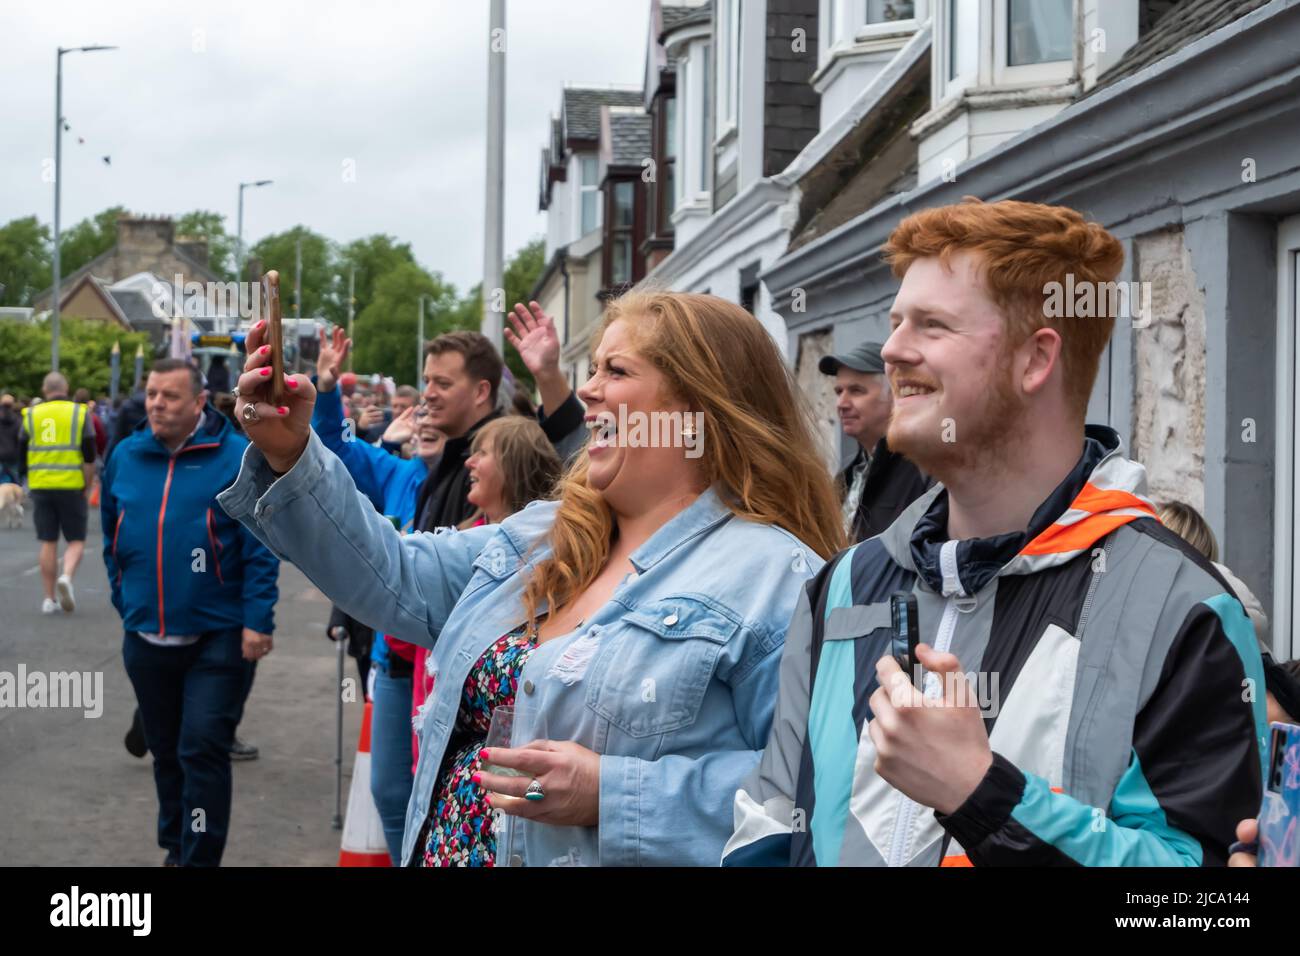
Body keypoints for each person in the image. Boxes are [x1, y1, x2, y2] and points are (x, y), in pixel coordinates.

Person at [724, 197, 1267, 867]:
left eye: (932, 325)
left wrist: (982, 795)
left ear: (1035, 361)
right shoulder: (842, 583)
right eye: (896, 322)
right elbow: (770, 823)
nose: (893, 349)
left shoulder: (1185, 610)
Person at [220, 291, 845, 866]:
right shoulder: (541, 534)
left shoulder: (777, 576)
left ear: (696, 409)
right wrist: (290, 451)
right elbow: (394, 576)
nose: (589, 392)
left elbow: (815, 795)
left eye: (616, 372)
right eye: (592, 368)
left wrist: (616, 794)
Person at [102, 359, 280, 866]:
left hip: (218, 635)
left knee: (201, 749)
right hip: (145, 637)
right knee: (166, 755)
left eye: (170, 396)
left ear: (199, 402)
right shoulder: (126, 455)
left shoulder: (235, 458)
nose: (156, 404)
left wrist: (256, 619)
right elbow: (111, 536)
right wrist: (126, 600)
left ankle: (199, 858)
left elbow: (259, 544)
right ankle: (176, 847)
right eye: (152, 394)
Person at [819, 342, 931, 542]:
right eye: (839, 392)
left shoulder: (923, 471)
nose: (841, 404)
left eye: (856, 391)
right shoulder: (845, 478)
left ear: (895, 395)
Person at [21, 372, 96, 614]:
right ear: (67, 387)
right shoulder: (80, 413)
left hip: (41, 484)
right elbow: (89, 456)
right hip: (71, 484)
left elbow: (23, 450)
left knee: (48, 541)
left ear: (44, 389)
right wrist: (87, 485)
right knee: (75, 540)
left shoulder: (30, 415)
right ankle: (66, 576)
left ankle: (48, 598)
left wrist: (28, 478)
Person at [0, 393, 23, 485]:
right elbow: (21, 440)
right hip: (14, 459)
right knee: (17, 487)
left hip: (1, 458)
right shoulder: (19, 420)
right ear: (13, 405)